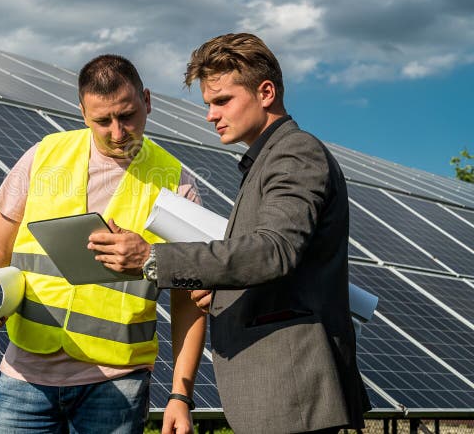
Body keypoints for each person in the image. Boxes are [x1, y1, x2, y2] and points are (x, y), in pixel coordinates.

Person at [89, 34, 371, 433]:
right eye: (207, 103)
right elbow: (279, 267)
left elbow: (274, 252)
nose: (210, 115)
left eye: (222, 101)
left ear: (266, 92)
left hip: (290, 390)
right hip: (279, 392)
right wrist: (222, 291)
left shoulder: (295, 153)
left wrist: (152, 258)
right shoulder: (267, 160)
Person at [0, 54, 207, 434]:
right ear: (82, 112)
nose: (117, 132)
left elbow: (189, 300)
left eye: (127, 115)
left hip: (118, 384)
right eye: (102, 120)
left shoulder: (177, 183)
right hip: (25, 376)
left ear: (147, 100)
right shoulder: (42, 156)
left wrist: (181, 394)